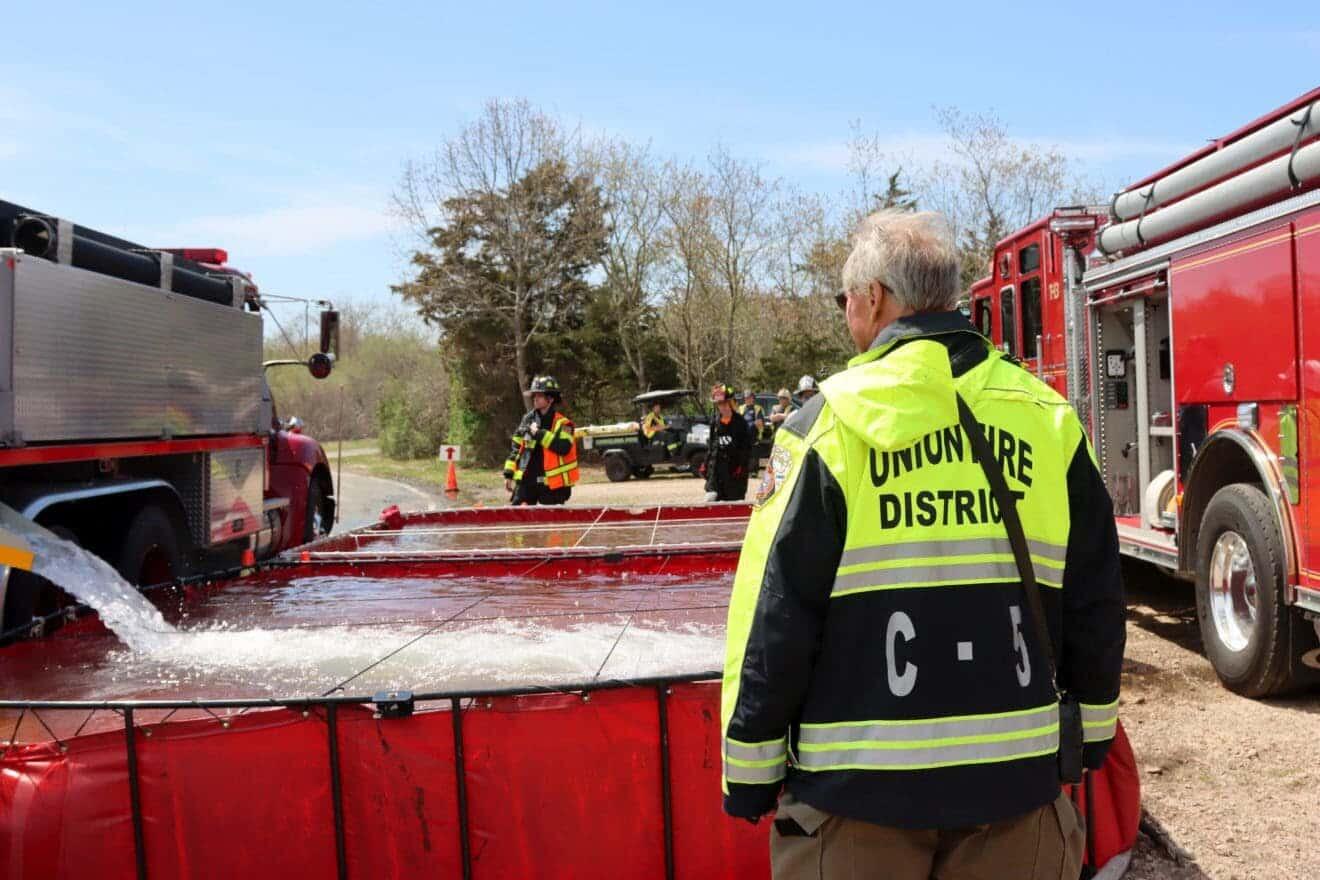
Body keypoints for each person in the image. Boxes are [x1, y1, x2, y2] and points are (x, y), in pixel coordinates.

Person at [721, 210, 1124, 879]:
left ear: (874, 297)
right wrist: (1093, 735)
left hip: (857, 797)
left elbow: (775, 616)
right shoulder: (1048, 418)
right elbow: (1097, 598)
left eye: (844, 298)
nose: (846, 311)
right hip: (1018, 789)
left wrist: (751, 769)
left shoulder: (828, 425)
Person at [502, 375, 579, 505]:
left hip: (552, 486)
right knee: (518, 517)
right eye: (534, 395)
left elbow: (563, 447)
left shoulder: (565, 424)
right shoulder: (527, 420)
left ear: (550, 399)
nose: (535, 399)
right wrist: (508, 474)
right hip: (527, 482)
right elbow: (516, 448)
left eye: (539, 395)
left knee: (550, 523)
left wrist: (539, 434)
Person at [703, 384, 752, 502]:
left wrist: (742, 467)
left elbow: (746, 449)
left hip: (735, 477)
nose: (723, 407)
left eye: (725, 403)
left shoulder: (741, 423)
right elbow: (712, 446)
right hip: (716, 476)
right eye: (719, 404)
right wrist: (706, 464)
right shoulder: (714, 422)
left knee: (734, 506)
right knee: (710, 500)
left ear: (731, 402)